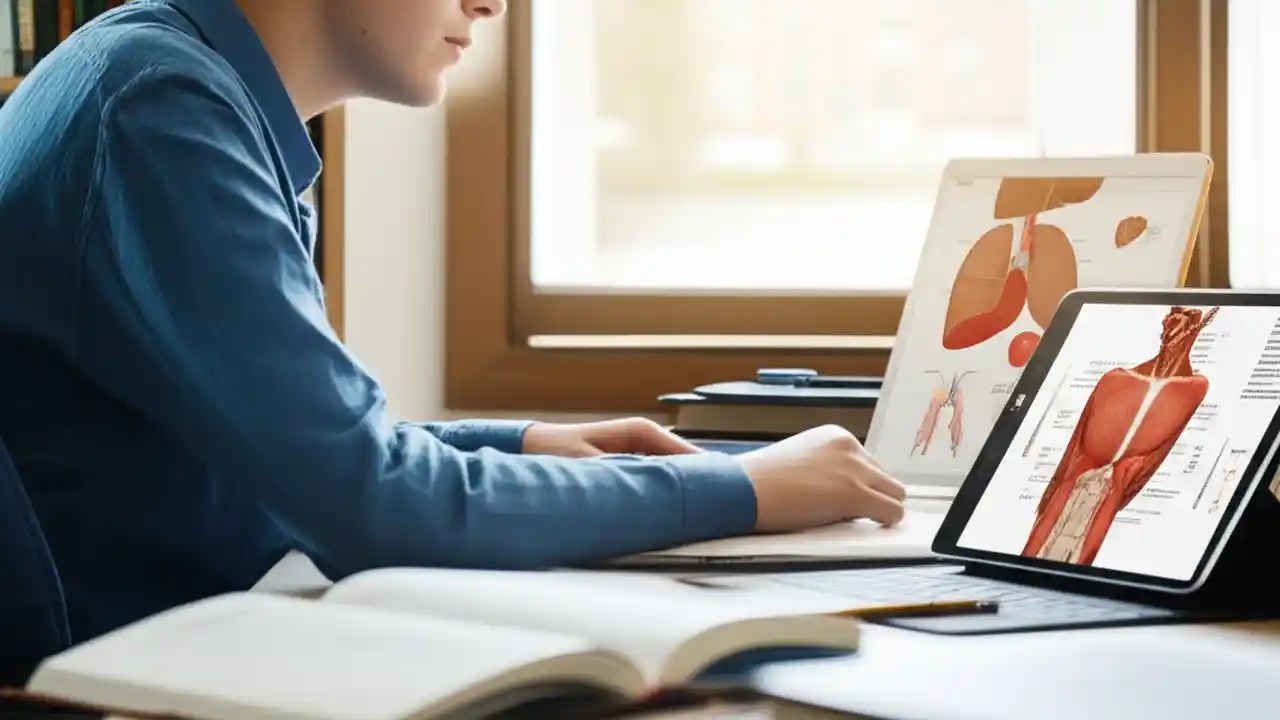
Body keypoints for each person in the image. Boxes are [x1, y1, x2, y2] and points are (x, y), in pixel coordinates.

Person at [0, 0, 906, 643]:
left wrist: (515, 441)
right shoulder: (159, 111)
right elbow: (372, 504)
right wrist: (747, 490)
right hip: (112, 684)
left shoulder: (174, 91)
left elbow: (294, 458)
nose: (493, 4)